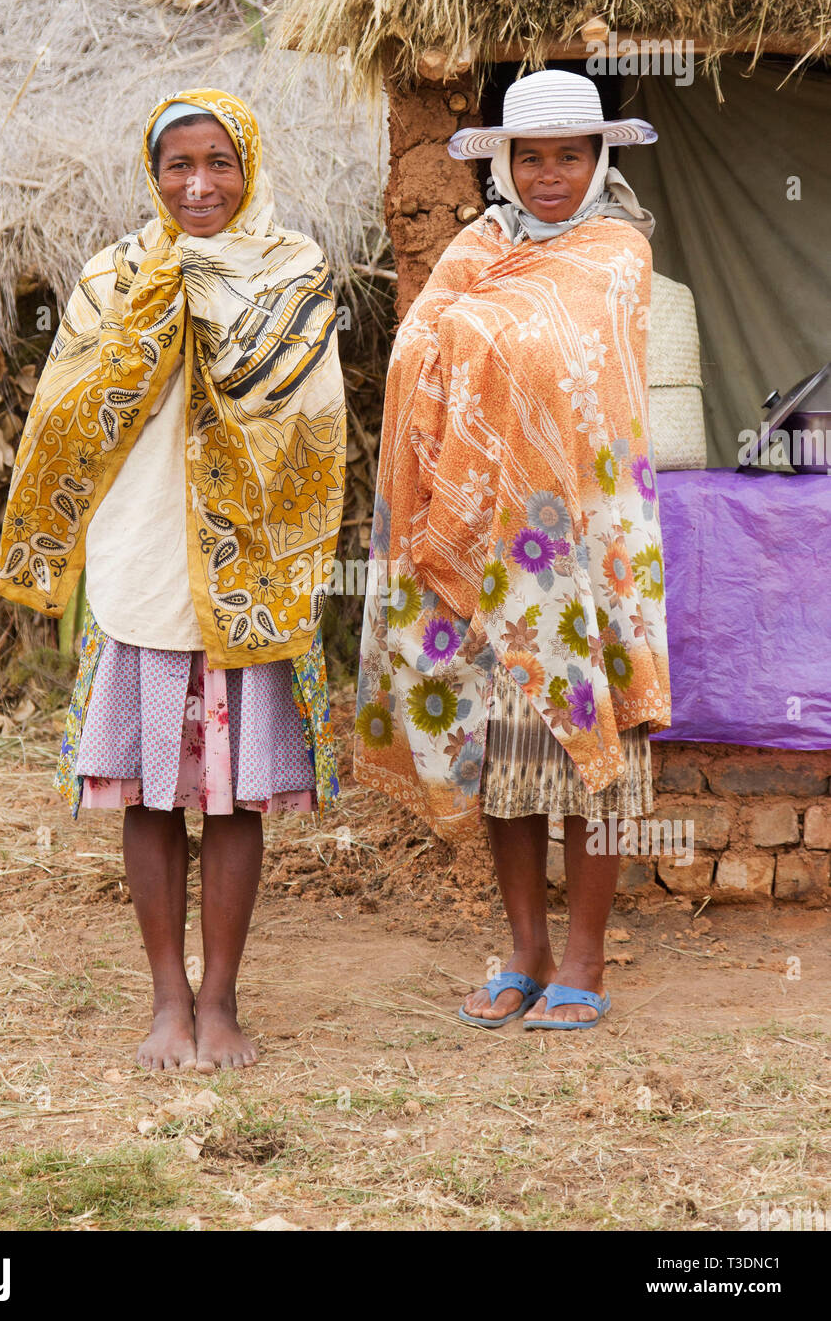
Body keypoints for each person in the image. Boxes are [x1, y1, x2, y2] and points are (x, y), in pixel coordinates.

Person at [0, 89, 345, 1070]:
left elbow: (314, 429)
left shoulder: (295, 274)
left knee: (233, 801)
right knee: (152, 796)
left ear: (250, 165)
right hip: (145, 566)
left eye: (219, 163)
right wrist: (160, 312)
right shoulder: (113, 279)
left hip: (251, 577)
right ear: (152, 177)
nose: (199, 185)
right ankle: (166, 1002)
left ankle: (223, 1001)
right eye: (177, 166)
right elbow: (70, 418)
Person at [354, 70, 670, 1030]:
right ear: (504, 164)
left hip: (584, 532)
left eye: (567, 156)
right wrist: (467, 337)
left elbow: (557, 351)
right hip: (483, 535)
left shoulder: (618, 251)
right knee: (506, 753)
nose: (547, 177)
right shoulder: (474, 248)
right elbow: (414, 354)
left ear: (598, 158)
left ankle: (587, 957)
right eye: (529, 158)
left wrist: (471, 335)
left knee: (591, 749)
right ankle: (526, 949)